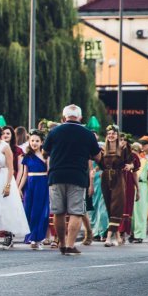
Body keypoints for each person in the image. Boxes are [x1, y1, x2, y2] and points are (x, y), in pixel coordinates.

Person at [43, 105, 101, 255]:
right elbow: (98, 156)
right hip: (77, 176)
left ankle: (61, 243)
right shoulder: (87, 134)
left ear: (63, 118)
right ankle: (70, 245)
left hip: (56, 175)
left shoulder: (54, 132)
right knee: (76, 212)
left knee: (58, 212)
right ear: (80, 118)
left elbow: (44, 151)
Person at [98, 125, 139, 247]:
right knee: (109, 206)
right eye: (109, 133)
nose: (111, 135)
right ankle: (117, 237)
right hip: (105, 177)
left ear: (117, 136)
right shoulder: (102, 150)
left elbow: (133, 163)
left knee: (117, 205)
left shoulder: (123, 149)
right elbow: (99, 164)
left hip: (118, 177)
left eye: (113, 134)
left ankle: (108, 238)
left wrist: (130, 166)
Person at [18, 130, 50, 249]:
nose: (34, 143)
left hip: (42, 184)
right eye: (32, 141)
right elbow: (25, 174)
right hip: (30, 185)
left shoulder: (46, 156)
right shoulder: (27, 157)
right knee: (29, 211)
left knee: (40, 211)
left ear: (42, 142)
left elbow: (48, 171)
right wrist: (19, 188)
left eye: (37, 141)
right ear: (29, 142)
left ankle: (38, 238)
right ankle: (31, 237)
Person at [130, 142, 148, 244]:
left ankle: (139, 235)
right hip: (131, 187)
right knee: (131, 212)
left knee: (140, 212)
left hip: (142, 186)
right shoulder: (129, 162)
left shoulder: (145, 162)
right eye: (132, 150)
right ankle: (132, 233)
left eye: (136, 151)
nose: (134, 153)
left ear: (140, 152)